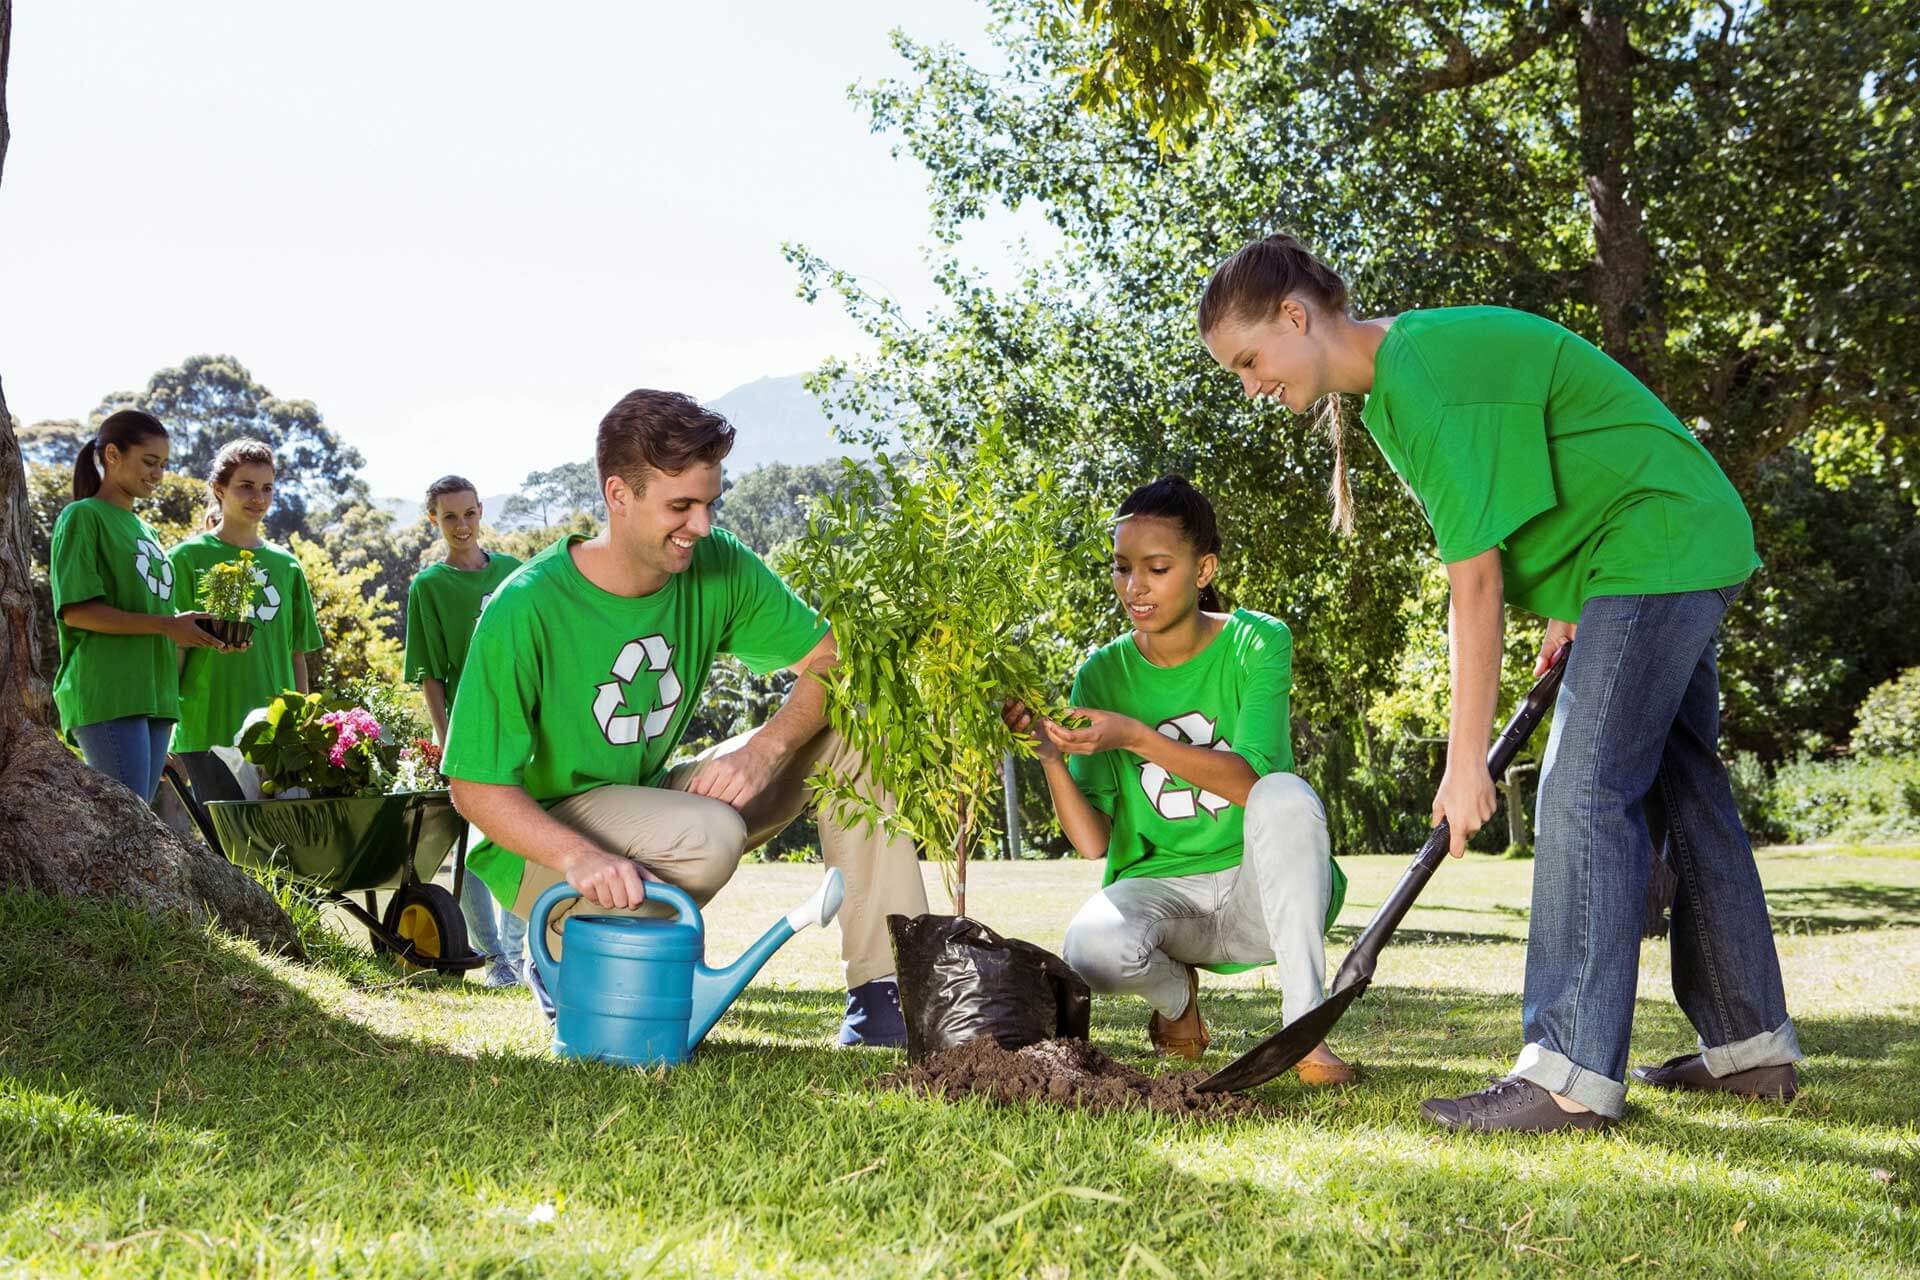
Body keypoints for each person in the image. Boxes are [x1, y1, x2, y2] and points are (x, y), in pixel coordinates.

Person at [1198, 232, 1800, 1131]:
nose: (1250, 387)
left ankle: (1567, 1075)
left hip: (1655, 540)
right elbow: (1546, 470)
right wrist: (1566, 606)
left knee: (1582, 788)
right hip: (1651, 541)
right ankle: (1754, 1052)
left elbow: (1474, 585)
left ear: (1295, 316)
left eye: (1249, 361)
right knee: (1685, 786)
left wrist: (1464, 761)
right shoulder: (1397, 387)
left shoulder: (1424, 376)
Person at [441, 389, 929, 1046]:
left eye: (709, 504)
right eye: (680, 506)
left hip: (648, 807)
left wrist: (766, 751)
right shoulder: (523, 608)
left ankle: (884, 996)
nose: (700, 525)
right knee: (709, 834)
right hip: (544, 840)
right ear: (620, 495)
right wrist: (577, 857)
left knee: (852, 725)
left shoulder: (717, 564)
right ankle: (567, 953)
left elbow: (831, 660)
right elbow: (474, 785)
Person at [1004, 475, 1353, 1084]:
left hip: (1258, 893)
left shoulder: (1257, 641)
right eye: (1122, 568)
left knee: (1288, 796)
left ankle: (1305, 1033)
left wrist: (1136, 736)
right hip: (1162, 895)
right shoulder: (1101, 673)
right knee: (1089, 950)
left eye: (1157, 568)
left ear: (1203, 569)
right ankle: (1177, 1002)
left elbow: (1250, 785)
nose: (1134, 587)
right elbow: (1092, 842)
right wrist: (1049, 755)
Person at [50, 409, 225, 804]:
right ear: (112, 455)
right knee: (125, 828)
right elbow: (78, 611)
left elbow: (164, 619)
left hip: (155, 696)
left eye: (163, 465)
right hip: (110, 691)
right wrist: (167, 625)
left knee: (136, 829)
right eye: (149, 462)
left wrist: (205, 633)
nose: (158, 474)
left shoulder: (146, 531)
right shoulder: (82, 517)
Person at [404, 475, 526, 988]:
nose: (462, 525)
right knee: (473, 842)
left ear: (481, 512)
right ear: (433, 520)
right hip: (468, 729)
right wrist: (445, 735)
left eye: (469, 513)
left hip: (522, 722)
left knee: (524, 838)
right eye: (449, 516)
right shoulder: (428, 586)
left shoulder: (516, 574)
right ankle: (495, 958)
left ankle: (521, 954)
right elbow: (430, 672)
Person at [168, 440, 322, 800]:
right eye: (246, 486)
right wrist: (166, 729)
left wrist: (301, 726)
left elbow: (296, 654)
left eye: (267, 488)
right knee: (223, 851)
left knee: (280, 851)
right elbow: (170, 649)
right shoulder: (185, 558)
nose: (259, 498)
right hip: (206, 730)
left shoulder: (287, 567)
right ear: (219, 490)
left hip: (276, 736)